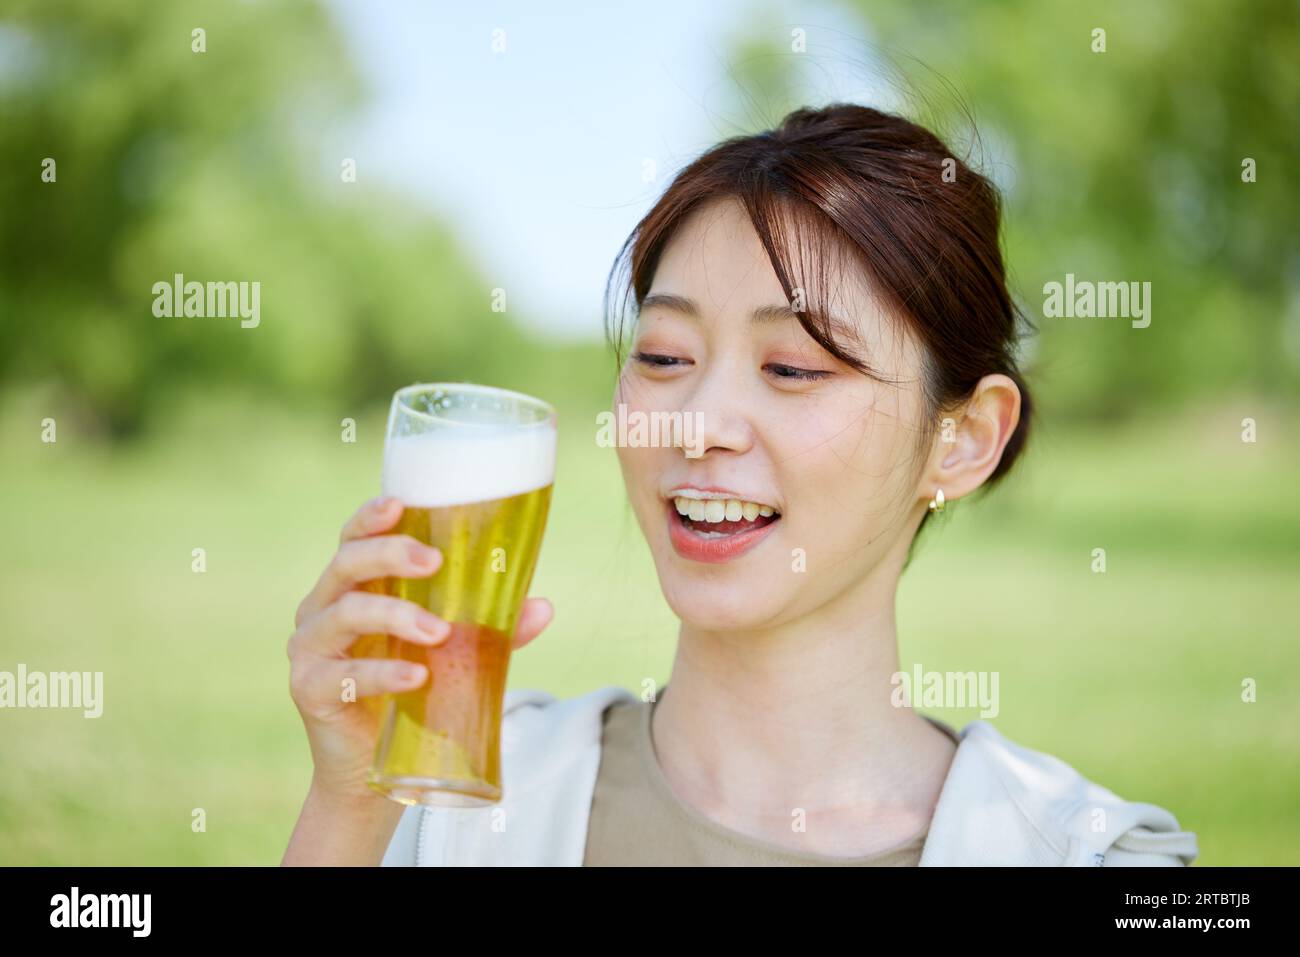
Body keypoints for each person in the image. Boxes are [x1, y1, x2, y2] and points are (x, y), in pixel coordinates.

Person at [282, 104, 1198, 867]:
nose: (698, 422)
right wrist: (352, 809)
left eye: (794, 367)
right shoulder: (461, 817)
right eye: (665, 356)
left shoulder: (1092, 857)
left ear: (961, 441)